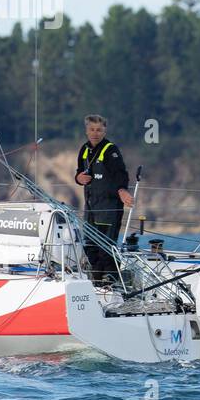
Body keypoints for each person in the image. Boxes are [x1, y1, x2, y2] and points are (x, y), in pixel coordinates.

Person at [74, 114, 133, 283]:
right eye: (92, 129)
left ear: (104, 130)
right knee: (90, 244)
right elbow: (78, 171)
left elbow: (120, 174)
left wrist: (122, 190)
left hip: (109, 206)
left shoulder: (111, 150)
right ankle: (97, 276)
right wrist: (78, 178)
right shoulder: (84, 149)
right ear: (86, 131)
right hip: (91, 206)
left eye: (99, 130)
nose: (95, 133)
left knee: (106, 245)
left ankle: (111, 277)